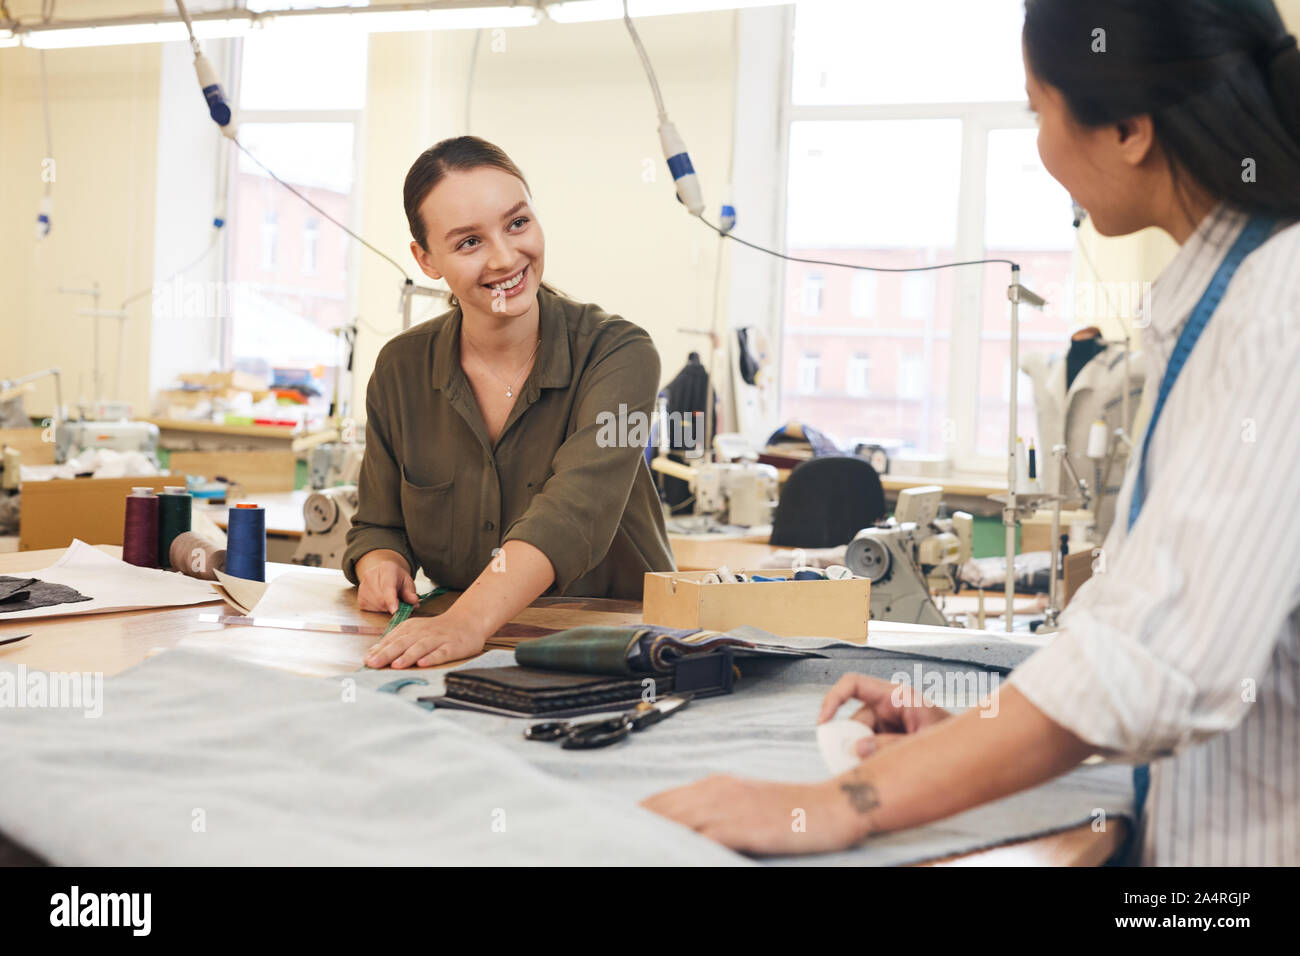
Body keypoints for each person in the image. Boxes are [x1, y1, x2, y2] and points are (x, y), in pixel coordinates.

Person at [644, 0, 1300, 865]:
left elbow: (1160, 664)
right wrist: (966, 740)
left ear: (1129, 130)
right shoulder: (1225, 299)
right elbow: (1153, 628)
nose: (1042, 149)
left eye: (1038, 111)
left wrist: (845, 801)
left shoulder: (1276, 310)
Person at [344, 136, 674, 670]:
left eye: (517, 223)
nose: (504, 257)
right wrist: (380, 562)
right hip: (458, 650)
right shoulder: (401, 367)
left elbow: (572, 513)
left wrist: (467, 622)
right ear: (426, 259)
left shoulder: (619, 353)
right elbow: (378, 524)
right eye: (469, 242)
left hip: (615, 647)